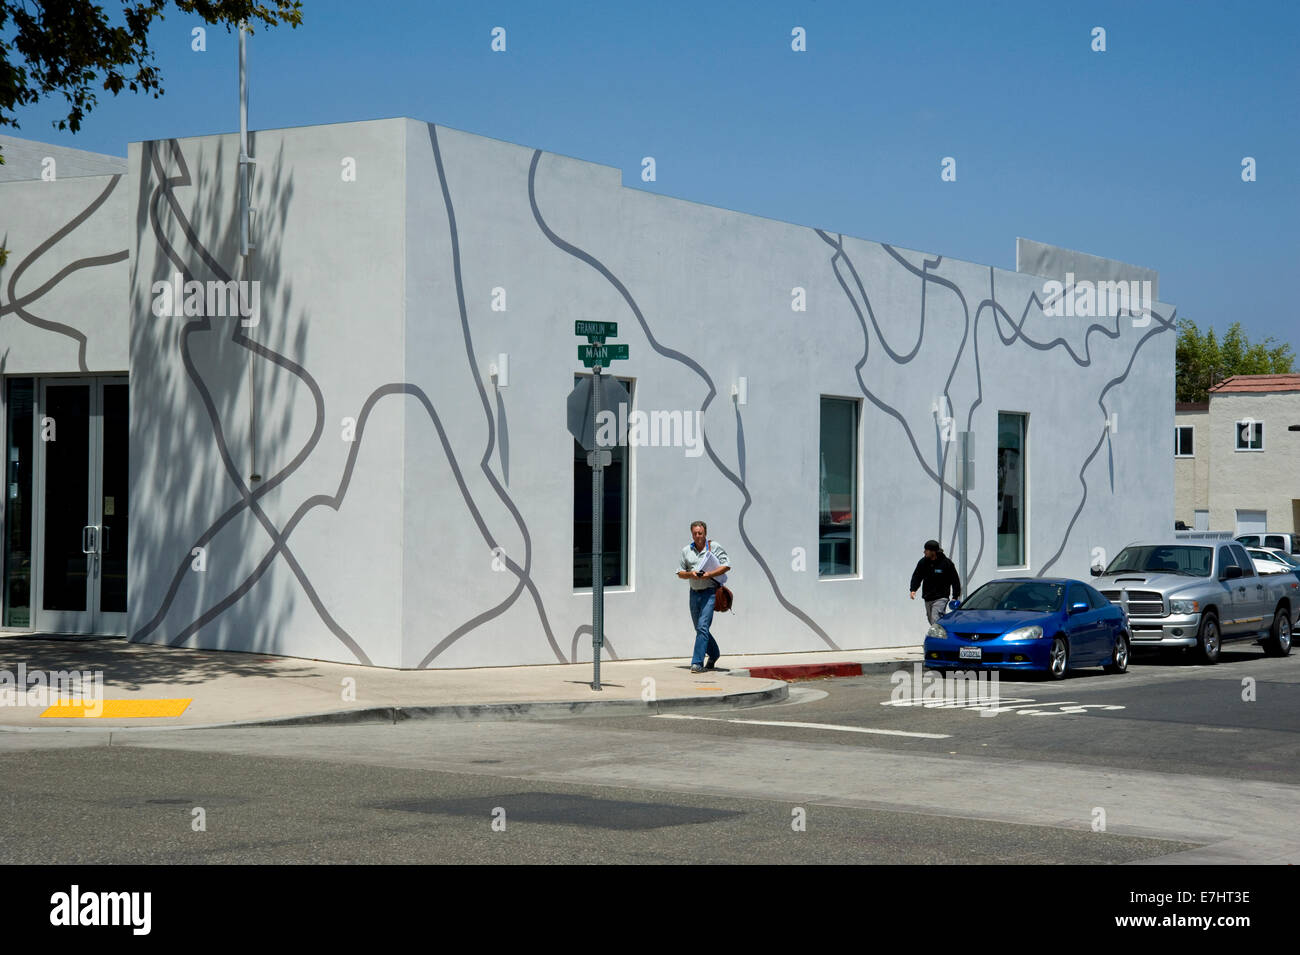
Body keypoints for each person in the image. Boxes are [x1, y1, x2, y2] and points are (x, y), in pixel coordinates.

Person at [676, 521, 731, 672]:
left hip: (709, 592)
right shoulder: (686, 550)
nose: (698, 536)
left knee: (702, 627)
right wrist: (691, 574)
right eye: (695, 533)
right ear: (691, 534)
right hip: (694, 593)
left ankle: (697, 663)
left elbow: (727, 565)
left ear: (705, 533)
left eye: (700, 533)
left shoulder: (714, 547)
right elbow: (680, 573)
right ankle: (714, 653)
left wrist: (709, 574)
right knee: (699, 628)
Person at [909, 539, 961, 625]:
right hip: (928, 597)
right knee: (932, 621)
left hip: (941, 597)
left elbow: (955, 580)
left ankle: (938, 638)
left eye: (926, 550)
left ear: (933, 551)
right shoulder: (923, 563)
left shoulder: (946, 563)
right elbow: (917, 576)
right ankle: (944, 635)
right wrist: (913, 589)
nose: (924, 552)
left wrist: (955, 596)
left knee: (935, 619)